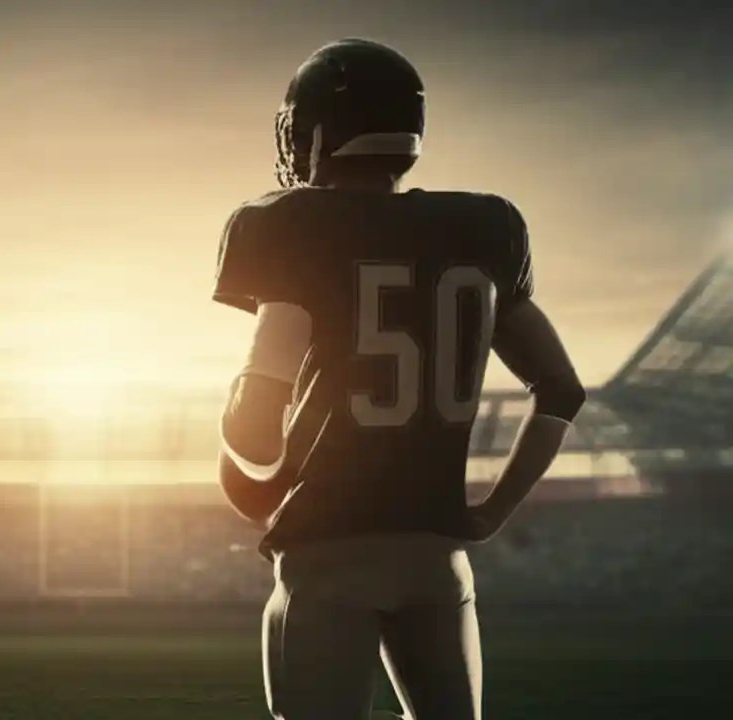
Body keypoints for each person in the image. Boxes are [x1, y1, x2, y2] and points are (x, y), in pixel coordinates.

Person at [214, 38, 585, 720]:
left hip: (328, 553)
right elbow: (562, 391)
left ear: (316, 131)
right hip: (438, 559)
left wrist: (240, 461)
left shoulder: (291, 226)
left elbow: (254, 429)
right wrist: (490, 513)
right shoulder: (486, 227)